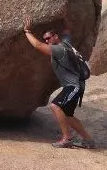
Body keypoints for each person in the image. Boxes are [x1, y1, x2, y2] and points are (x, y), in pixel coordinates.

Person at [23, 15, 95, 149]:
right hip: (76, 85)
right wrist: (64, 16)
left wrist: (27, 31)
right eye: (46, 39)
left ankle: (66, 138)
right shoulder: (66, 43)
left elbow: (38, 45)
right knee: (67, 116)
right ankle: (88, 140)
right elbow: (67, 31)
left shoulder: (59, 49)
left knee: (55, 106)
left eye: (49, 38)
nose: (47, 41)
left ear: (56, 36)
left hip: (73, 86)